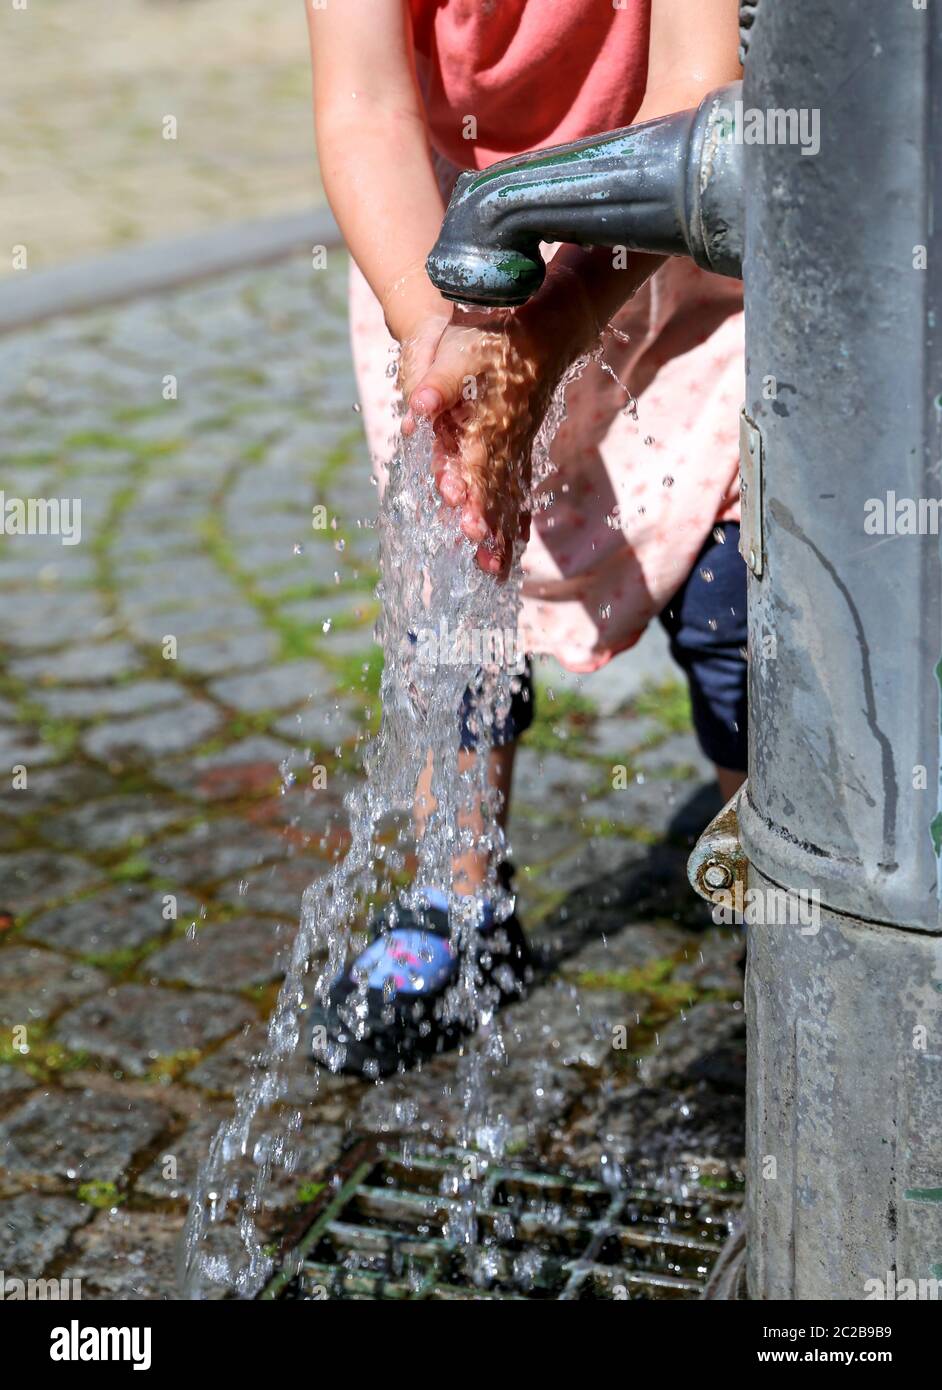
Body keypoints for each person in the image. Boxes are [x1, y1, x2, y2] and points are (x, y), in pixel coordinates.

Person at [307, 0, 747, 1075]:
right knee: (452, 589)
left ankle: (769, 886)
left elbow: (697, 94)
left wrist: (553, 329)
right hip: (449, 268)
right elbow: (364, 104)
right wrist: (436, 332)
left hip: (671, 263)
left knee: (738, 613)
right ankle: (457, 903)